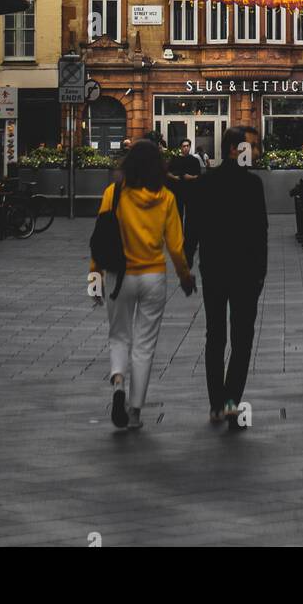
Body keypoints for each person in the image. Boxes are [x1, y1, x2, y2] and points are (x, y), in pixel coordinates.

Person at [91, 139, 195, 430]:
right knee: (145, 344)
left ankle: (118, 384)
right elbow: (176, 246)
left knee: (119, 336)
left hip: (118, 275)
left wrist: (94, 276)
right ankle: (135, 411)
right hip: (153, 276)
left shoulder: (113, 194)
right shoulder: (166, 198)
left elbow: (100, 238)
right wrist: (185, 276)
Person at [186, 125, 268, 424]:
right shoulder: (253, 185)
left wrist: (187, 264)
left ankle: (217, 404)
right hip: (245, 272)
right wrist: (261, 271)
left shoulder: (205, 184)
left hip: (214, 269)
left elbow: (191, 228)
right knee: (242, 337)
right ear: (235, 149)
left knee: (216, 336)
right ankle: (232, 400)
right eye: (252, 146)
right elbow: (261, 232)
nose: (257, 152)